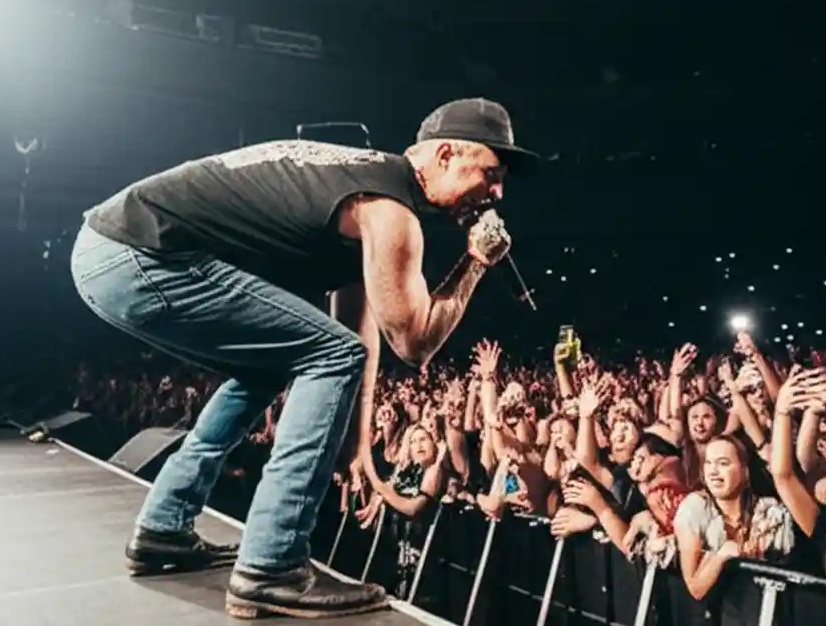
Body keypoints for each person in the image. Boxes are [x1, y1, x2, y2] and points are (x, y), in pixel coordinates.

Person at [69, 98, 537, 619]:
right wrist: (474, 263)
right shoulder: (390, 210)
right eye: (491, 174)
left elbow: (361, 331)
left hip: (107, 254)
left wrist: (359, 443)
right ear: (446, 154)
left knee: (269, 367)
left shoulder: (362, 186)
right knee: (331, 355)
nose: (496, 195)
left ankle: (164, 529)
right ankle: (271, 568)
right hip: (141, 253)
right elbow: (416, 343)